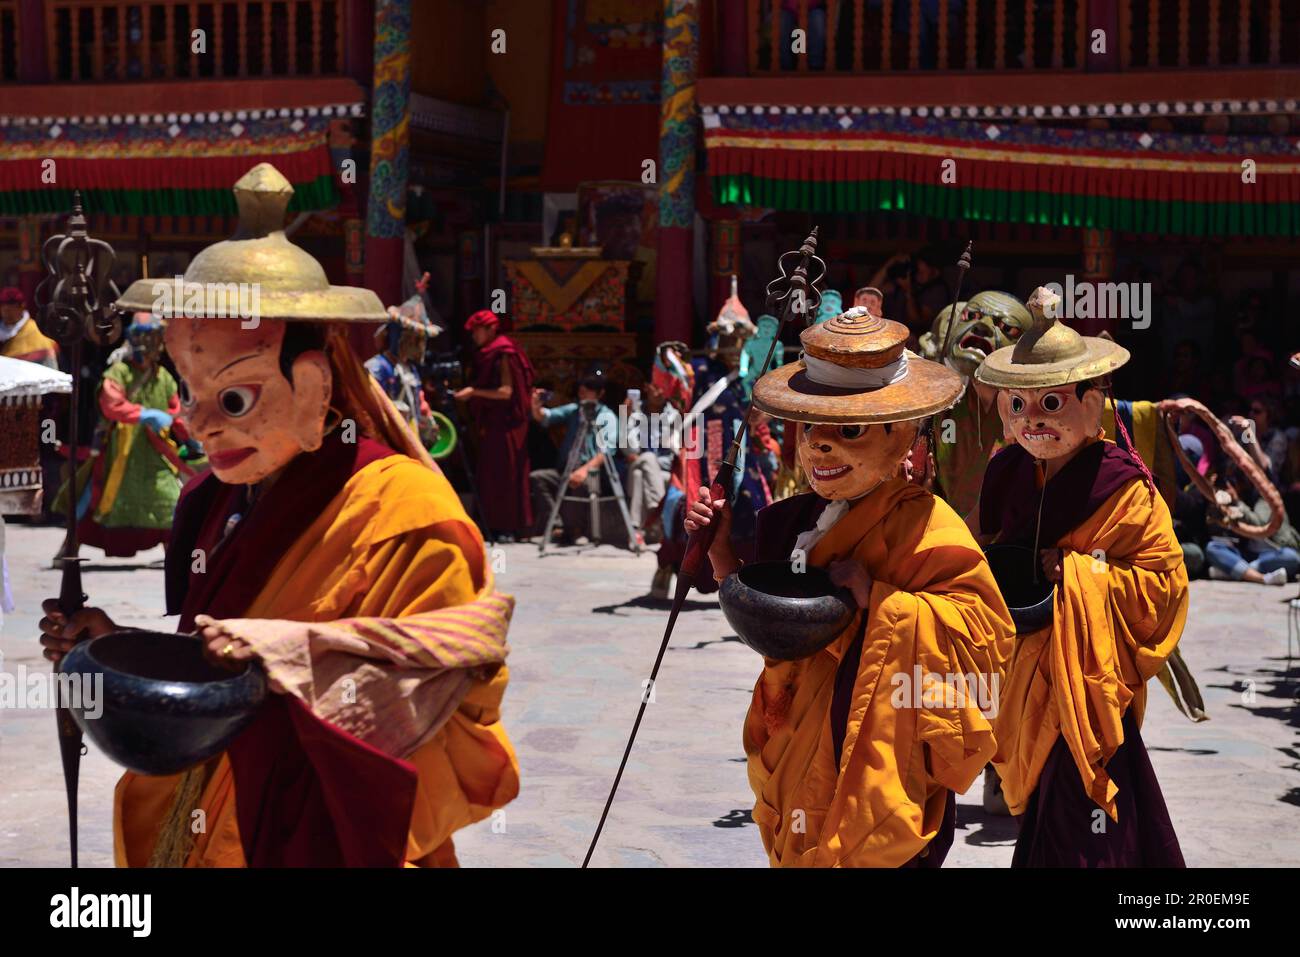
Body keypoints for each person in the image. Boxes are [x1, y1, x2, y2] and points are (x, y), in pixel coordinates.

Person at [38, 164, 518, 868]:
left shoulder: (406, 513)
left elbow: (447, 689)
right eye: (190, 391)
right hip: (215, 820)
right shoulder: (229, 495)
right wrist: (124, 649)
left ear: (315, 386)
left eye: (233, 399)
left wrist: (282, 664)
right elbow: (220, 652)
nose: (200, 425)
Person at [687, 307, 1014, 867]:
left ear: (902, 434)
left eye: (851, 430)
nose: (819, 447)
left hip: (882, 747)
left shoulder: (926, 526)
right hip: (798, 737)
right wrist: (722, 553)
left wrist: (880, 601)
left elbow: (985, 639)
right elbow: (771, 622)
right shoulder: (791, 521)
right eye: (811, 428)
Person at [972, 286, 1187, 867]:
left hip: (1087, 680)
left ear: (1097, 403)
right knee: (1048, 810)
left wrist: (1080, 573)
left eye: (1054, 403)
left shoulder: (1121, 483)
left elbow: (1162, 587)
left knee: (1082, 816)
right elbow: (985, 553)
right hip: (1023, 678)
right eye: (1019, 405)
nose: (1033, 422)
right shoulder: (1006, 474)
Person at [54, 313, 198, 558]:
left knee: (167, 498)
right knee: (98, 501)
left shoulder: (162, 375)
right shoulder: (118, 372)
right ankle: (69, 549)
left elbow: (176, 410)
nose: (148, 344)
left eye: (152, 337)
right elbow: (111, 404)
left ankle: (175, 556)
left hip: (154, 450)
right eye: (143, 337)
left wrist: (189, 437)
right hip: (117, 449)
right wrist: (144, 414)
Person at [917, 290, 1033, 520]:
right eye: (971, 316)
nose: (983, 327)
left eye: (1007, 327)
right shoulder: (944, 402)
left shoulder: (1031, 412)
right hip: (942, 527)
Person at [458, 309, 536, 541]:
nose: (474, 336)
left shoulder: (504, 353)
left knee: (506, 474)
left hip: (507, 426)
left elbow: (505, 392)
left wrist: (474, 392)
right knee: (491, 474)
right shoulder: (489, 352)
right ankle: (493, 523)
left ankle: (508, 527)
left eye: (477, 331)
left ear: (491, 329)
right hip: (495, 424)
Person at [530, 373, 618, 544]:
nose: (582, 395)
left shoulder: (607, 417)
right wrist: (535, 405)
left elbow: (606, 451)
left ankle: (577, 531)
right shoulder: (574, 410)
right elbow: (545, 416)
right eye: (581, 392)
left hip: (592, 472)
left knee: (582, 483)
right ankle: (558, 526)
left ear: (600, 394)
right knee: (538, 478)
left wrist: (584, 471)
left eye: (588, 392)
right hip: (566, 468)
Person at [365, 276, 440, 447]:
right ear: (397, 336)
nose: (419, 345)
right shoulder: (377, 367)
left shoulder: (410, 369)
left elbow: (417, 404)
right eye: (414, 338)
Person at [1204, 469, 1300, 585]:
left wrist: (1237, 501)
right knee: (1212, 548)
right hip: (1248, 554)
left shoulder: (1264, 498)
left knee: (1292, 557)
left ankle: (1236, 570)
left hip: (1273, 552)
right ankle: (1260, 577)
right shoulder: (1226, 502)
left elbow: (1259, 524)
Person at [0, 286, 58, 368]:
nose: (6, 314)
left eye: (10, 310)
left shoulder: (37, 333)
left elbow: (49, 368)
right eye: (3, 310)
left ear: (22, 307)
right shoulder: (2, 331)